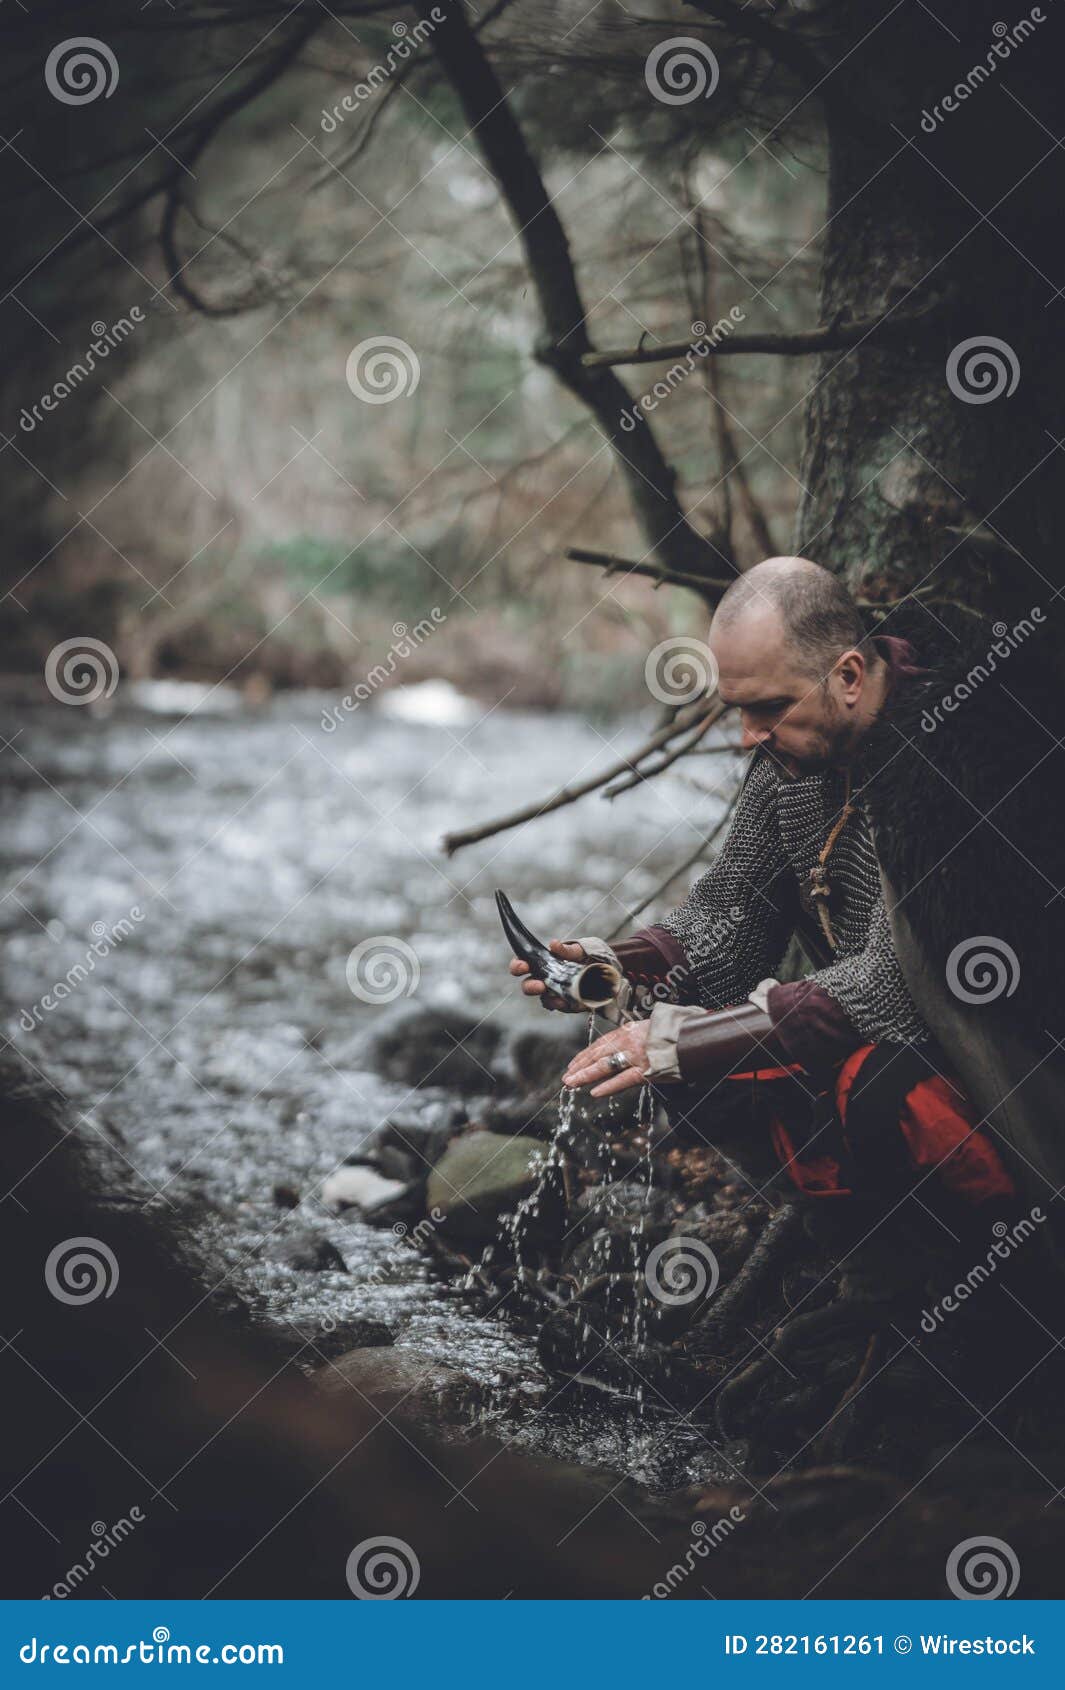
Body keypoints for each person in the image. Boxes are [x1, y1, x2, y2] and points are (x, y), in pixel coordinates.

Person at [509, 557, 1065, 1232]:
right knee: (695, 1071)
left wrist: (675, 1041)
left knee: (880, 1092)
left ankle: (982, 1273)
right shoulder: (796, 751)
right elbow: (732, 912)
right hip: (880, 1026)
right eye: (740, 709)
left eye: (767, 707)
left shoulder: (967, 756)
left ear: (849, 677)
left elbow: (893, 985)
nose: (748, 735)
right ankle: (853, 1249)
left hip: (1006, 1064)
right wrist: (615, 967)